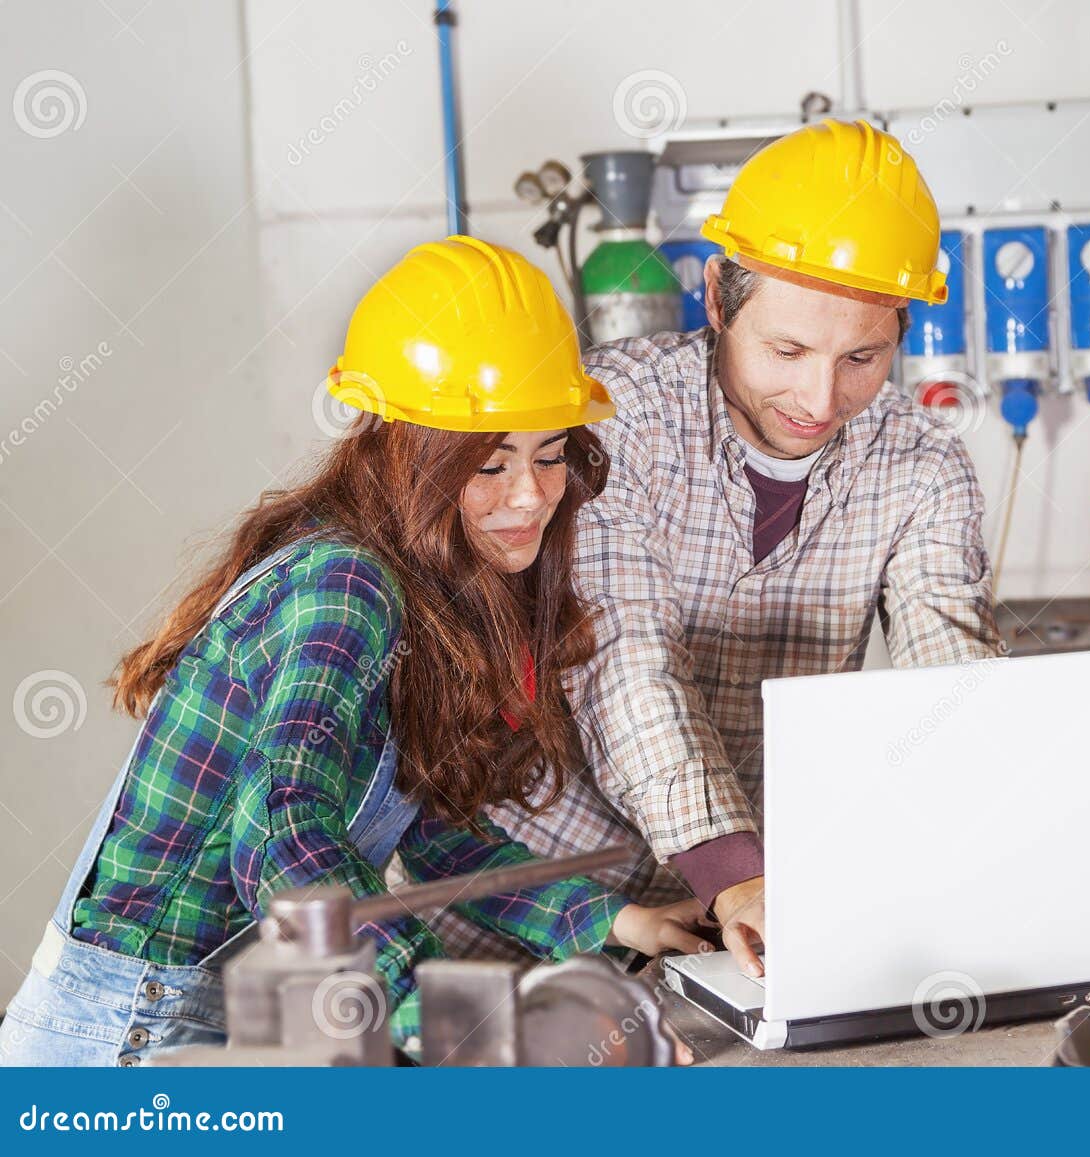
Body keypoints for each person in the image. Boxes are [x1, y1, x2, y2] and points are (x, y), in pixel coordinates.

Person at [0, 236, 709, 1067]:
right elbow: (281, 826)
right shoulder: (343, 586)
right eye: (490, 463)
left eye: (550, 454)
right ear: (406, 451)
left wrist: (619, 920)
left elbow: (440, 834)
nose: (531, 494)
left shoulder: (419, 592)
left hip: (218, 1020)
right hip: (126, 1041)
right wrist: (451, 1019)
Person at [472, 120, 1002, 978]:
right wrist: (735, 870)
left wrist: (996, 825)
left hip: (743, 921)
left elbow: (951, 677)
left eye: (862, 355)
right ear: (718, 298)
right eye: (787, 350)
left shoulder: (924, 464)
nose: (819, 397)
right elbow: (625, 664)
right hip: (543, 896)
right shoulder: (617, 416)